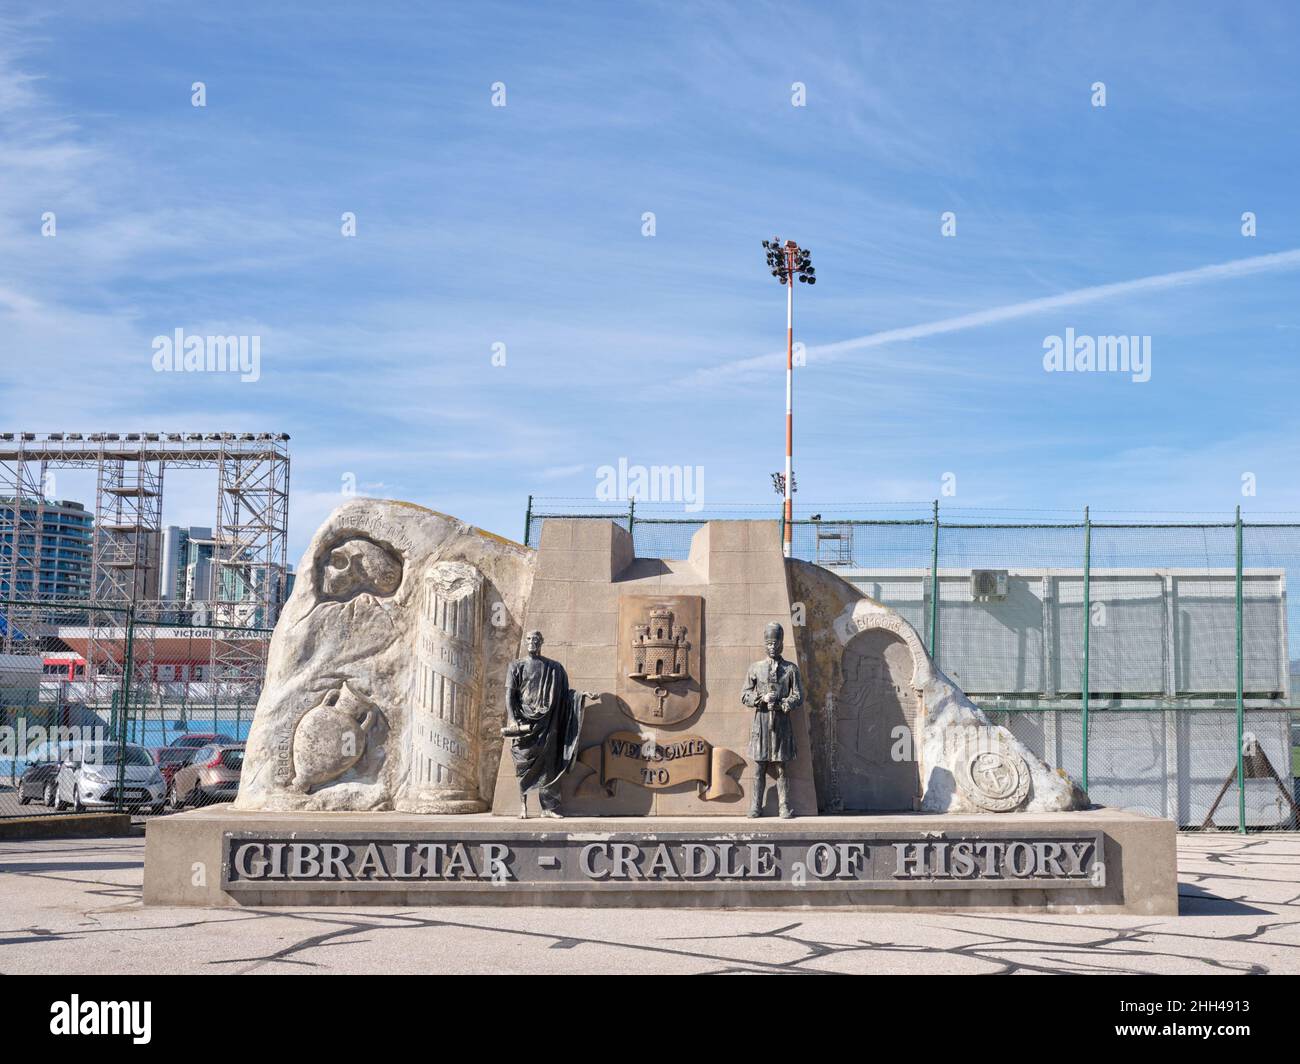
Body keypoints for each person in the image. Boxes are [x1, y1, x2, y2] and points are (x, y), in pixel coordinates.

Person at [502, 630, 593, 818]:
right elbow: (510, 696)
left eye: (535, 639)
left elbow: (565, 696)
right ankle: (523, 806)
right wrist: (512, 718)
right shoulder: (516, 666)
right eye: (528, 639)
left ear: (541, 642)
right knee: (522, 765)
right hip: (524, 723)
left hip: (548, 723)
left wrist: (581, 696)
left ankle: (548, 807)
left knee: (549, 765)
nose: (531, 642)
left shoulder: (554, 668)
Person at [740, 621, 803, 818]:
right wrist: (761, 699)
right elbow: (744, 695)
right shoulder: (755, 668)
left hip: (781, 724)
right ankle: (756, 806)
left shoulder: (791, 669)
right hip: (761, 722)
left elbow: (798, 696)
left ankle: (784, 806)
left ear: (782, 643)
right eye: (768, 643)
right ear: (764, 644)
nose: (772, 647)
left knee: (781, 767)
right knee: (759, 767)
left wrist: (783, 703)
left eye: (775, 643)